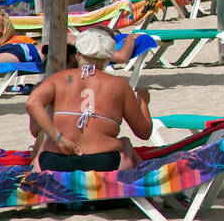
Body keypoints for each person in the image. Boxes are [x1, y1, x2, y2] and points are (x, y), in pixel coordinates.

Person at [25, 28, 153, 172]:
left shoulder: (58, 78)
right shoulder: (120, 85)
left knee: (44, 144)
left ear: (78, 54)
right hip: (103, 161)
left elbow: (32, 103)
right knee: (125, 143)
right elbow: (144, 133)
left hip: (56, 160)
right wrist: (143, 102)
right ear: (108, 58)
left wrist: (58, 139)